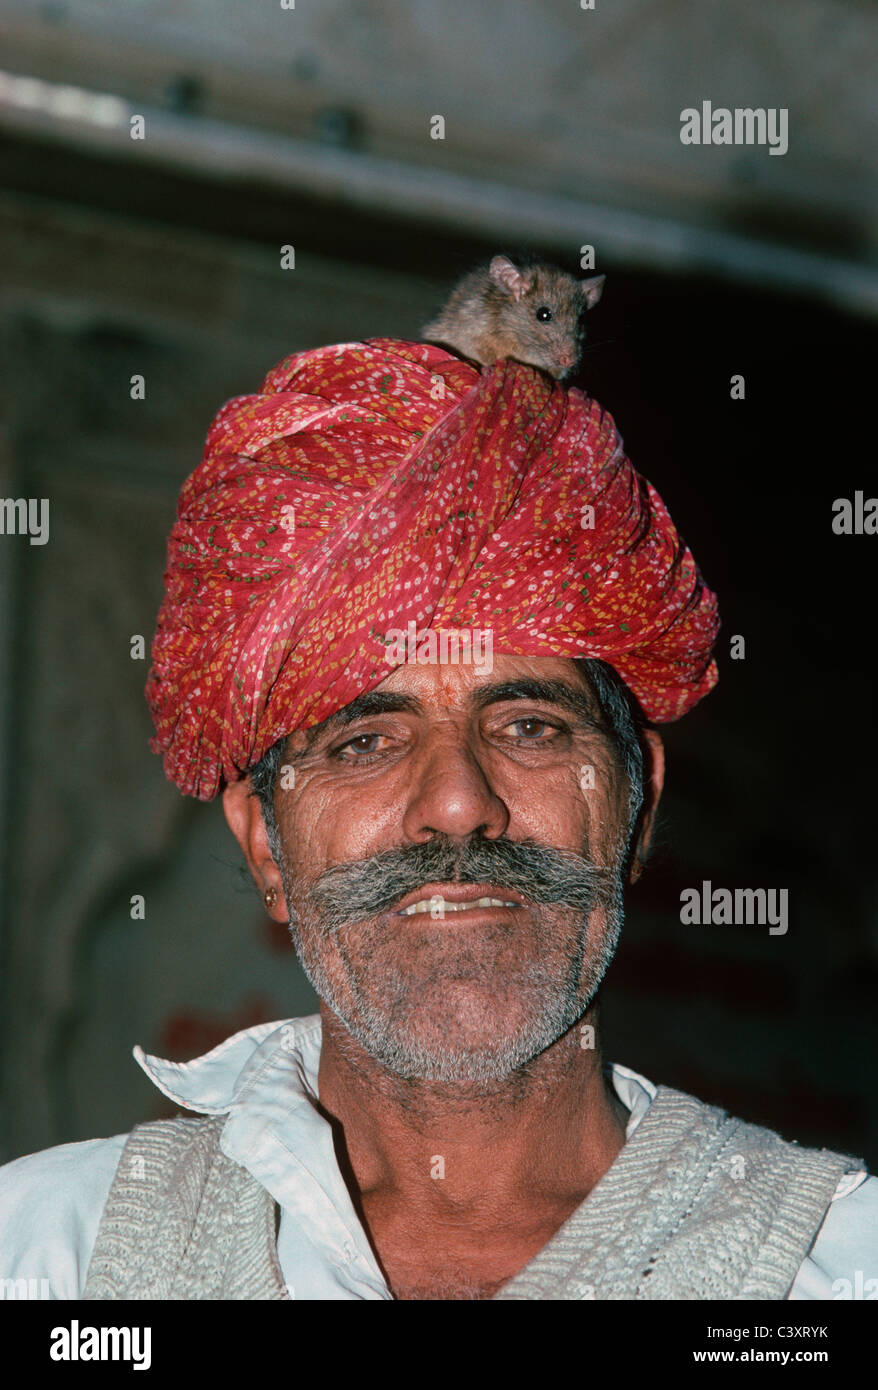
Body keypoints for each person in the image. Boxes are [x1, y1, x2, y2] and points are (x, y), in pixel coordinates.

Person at [1, 339, 875, 1300]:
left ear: (638, 805)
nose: (458, 801)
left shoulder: (830, 1273)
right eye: (366, 742)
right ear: (265, 845)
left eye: (532, 727)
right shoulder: (53, 1256)